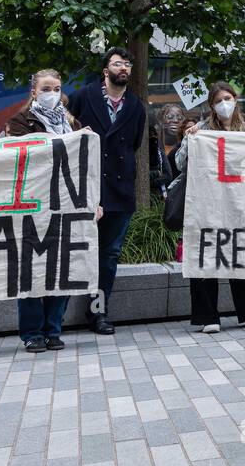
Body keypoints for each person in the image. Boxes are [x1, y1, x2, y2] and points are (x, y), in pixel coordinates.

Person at [178, 82, 245, 333]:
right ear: (212, 105)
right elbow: (180, 164)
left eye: (229, 98)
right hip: (207, 204)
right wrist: (189, 141)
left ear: (236, 99)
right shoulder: (201, 129)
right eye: (219, 100)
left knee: (243, 255)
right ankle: (207, 316)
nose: (225, 103)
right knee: (206, 254)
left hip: (241, 205)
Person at [68, 47, 146, 336]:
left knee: (109, 256)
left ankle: (98, 312)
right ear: (106, 71)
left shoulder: (136, 105)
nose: (123, 68)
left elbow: (134, 143)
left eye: (127, 63)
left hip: (119, 190)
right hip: (84, 188)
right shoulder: (83, 96)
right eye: (117, 64)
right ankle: (57, 313)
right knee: (76, 250)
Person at [8, 69, 86, 353]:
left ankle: (53, 329)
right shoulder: (19, 122)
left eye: (56, 88)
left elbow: (84, 168)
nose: (52, 93)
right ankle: (31, 332)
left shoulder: (74, 124)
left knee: (60, 267)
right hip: (32, 203)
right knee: (30, 270)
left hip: (67, 204)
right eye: (46, 88)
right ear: (34, 92)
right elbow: (25, 157)